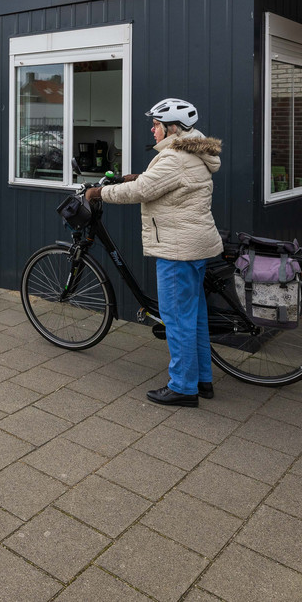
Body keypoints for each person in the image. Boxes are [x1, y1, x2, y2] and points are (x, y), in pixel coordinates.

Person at [87, 98, 223, 407]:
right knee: (195, 318)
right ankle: (202, 380)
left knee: (177, 320)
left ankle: (183, 387)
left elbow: (142, 192)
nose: (152, 129)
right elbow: (158, 184)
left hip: (178, 249)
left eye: (157, 125)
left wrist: (98, 193)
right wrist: (136, 176)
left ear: (172, 128)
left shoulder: (174, 157)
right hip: (196, 245)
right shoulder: (191, 151)